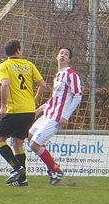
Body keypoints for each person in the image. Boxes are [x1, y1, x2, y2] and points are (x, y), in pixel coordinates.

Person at [27, 47, 82, 186]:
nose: (63, 55)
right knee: (30, 135)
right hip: (48, 113)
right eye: (61, 53)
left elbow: (77, 96)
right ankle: (53, 168)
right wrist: (40, 109)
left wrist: (66, 116)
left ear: (69, 59)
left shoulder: (71, 74)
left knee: (34, 144)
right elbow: (55, 98)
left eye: (66, 54)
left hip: (56, 117)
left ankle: (55, 170)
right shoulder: (57, 75)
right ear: (57, 57)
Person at [0, 39, 45, 187]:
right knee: (17, 143)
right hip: (29, 111)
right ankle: (23, 180)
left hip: (14, 110)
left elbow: (5, 84)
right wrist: (34, 100)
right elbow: (42, 85)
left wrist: (3, 106)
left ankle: (17, 169)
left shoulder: (4, 66)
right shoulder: (29, 65)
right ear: (18, 51)